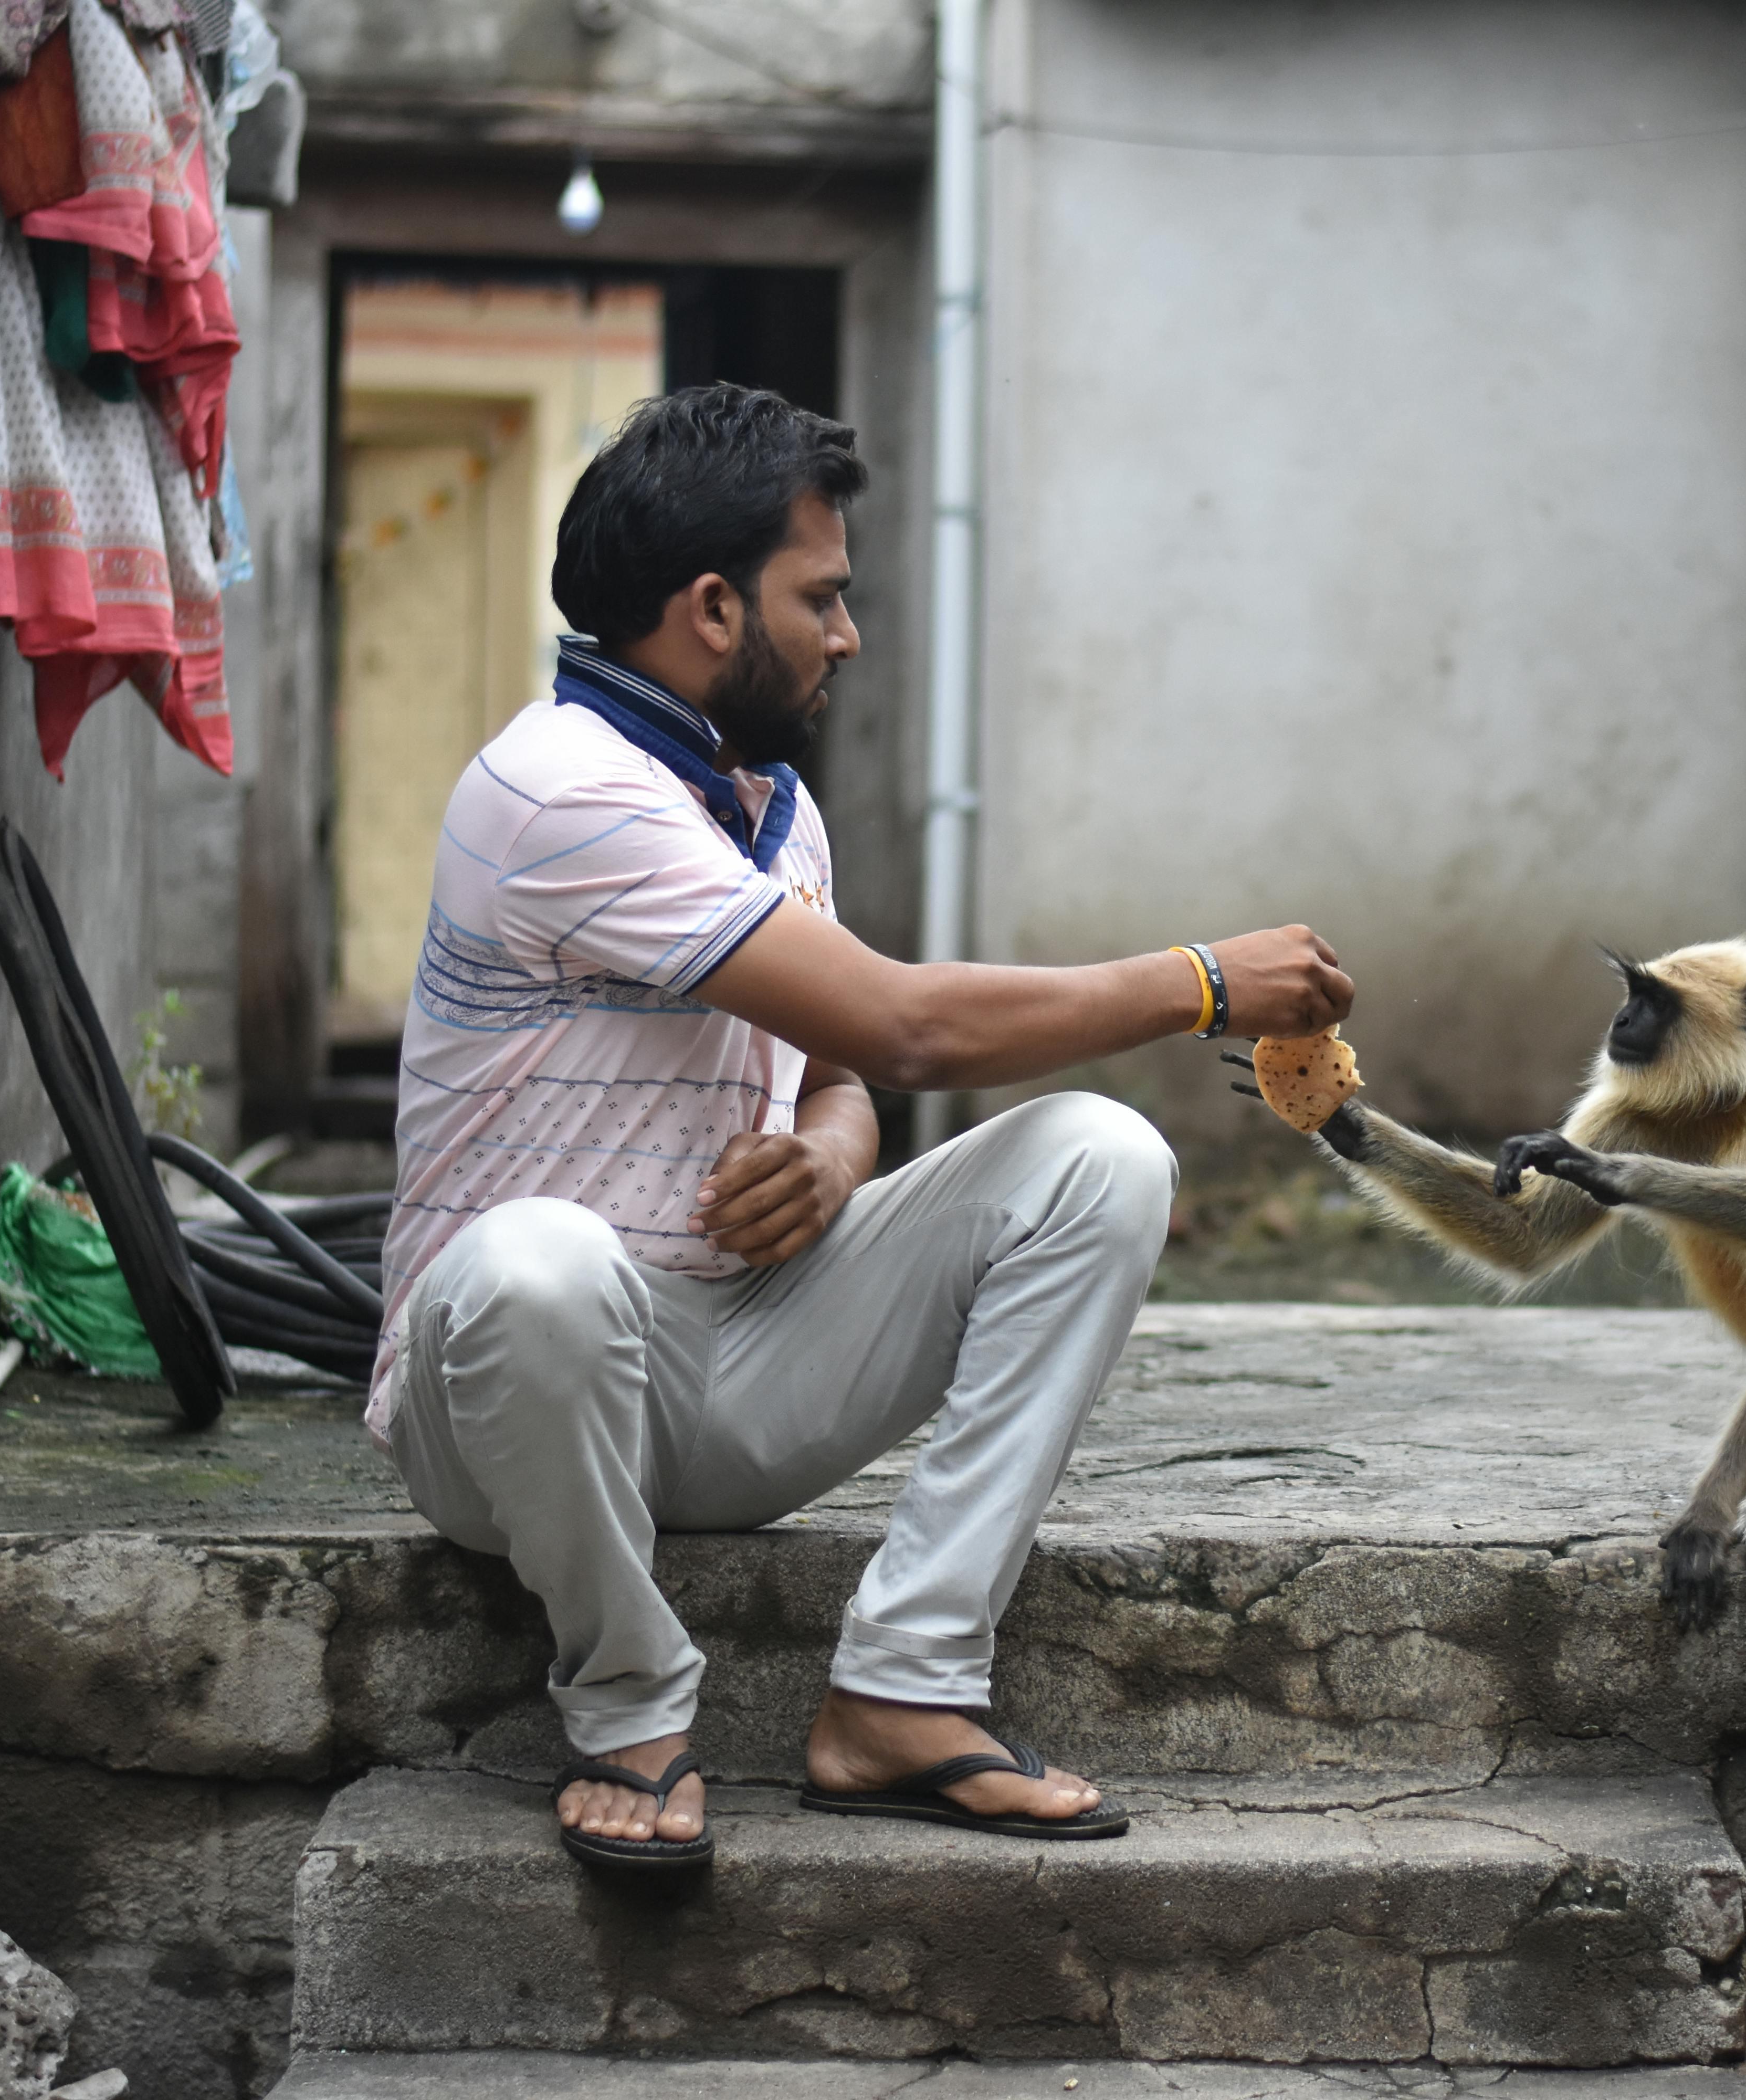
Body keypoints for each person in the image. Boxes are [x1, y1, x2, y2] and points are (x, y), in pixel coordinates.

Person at [370, 384, 1354, 1867]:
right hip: (509, 1407)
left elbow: (844, 1069)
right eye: (819, 597)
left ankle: (906, 1688)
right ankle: (631, 1705)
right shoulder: (561, 789)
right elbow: (906, 1025)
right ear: (711, 607)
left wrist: (834, 1152)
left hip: (727, 1372)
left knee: (1100, 1160)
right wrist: (1202, 985)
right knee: (540, 1269)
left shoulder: (765, 805)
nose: (846, 635)